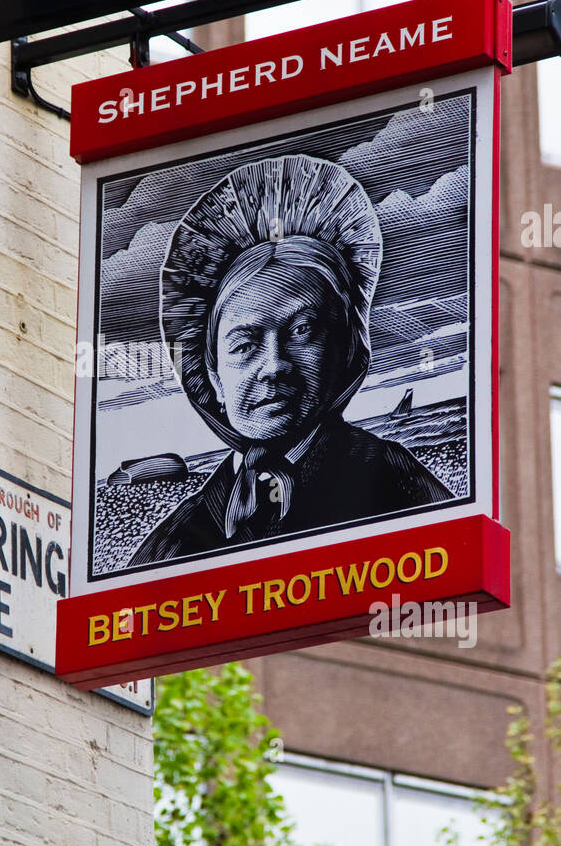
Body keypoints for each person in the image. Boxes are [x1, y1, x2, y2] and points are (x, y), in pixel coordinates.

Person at [129, 153, 452, 566]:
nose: (274, 365)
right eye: (244, 345)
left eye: (302, 331)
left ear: (346, 348)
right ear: (212, 377)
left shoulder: (393, 483)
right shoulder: (179, 538)